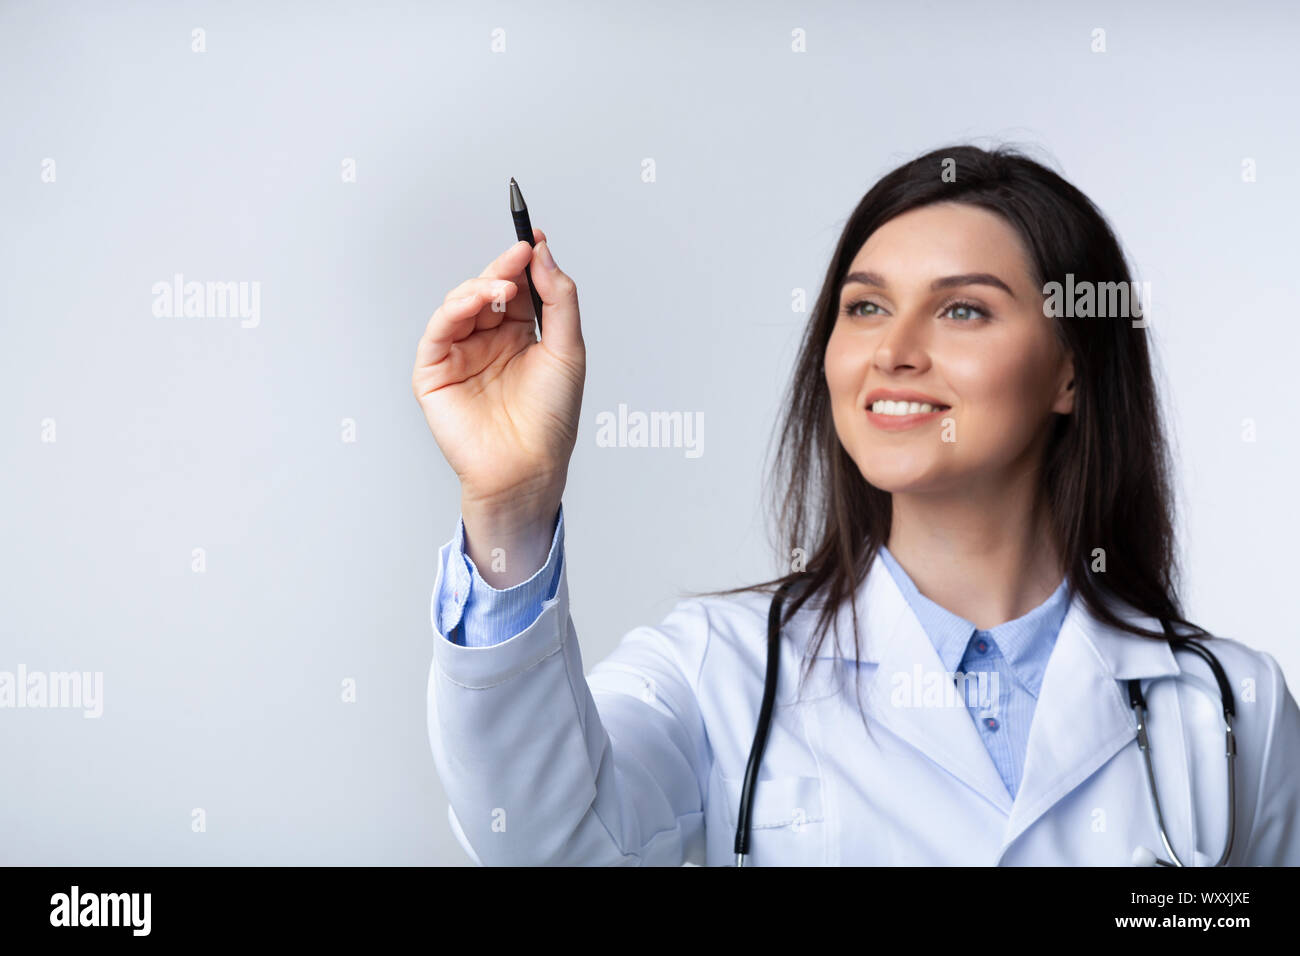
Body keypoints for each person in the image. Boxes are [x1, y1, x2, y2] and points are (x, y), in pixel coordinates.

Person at [411, 144, 1300, 866]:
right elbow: (540, 840)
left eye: (963, 312)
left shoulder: (1230, 707)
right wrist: (511, 506)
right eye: (866, 306)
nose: (894, 352)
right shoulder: (719, 670)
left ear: (1071, 369)